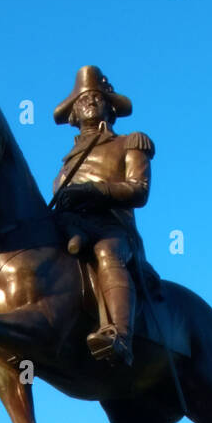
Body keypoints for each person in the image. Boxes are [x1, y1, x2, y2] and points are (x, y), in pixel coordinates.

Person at [52, 66, 155, 368]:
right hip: (72, 227)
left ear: (110, 106)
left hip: (114, 230)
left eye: (96, 97)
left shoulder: (130, 142)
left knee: (105, 251)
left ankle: (119, 335)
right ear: (73, 112)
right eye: (82, 99)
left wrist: (93, 191)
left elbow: (139, 190)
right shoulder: (66, 164)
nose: (89, 102)